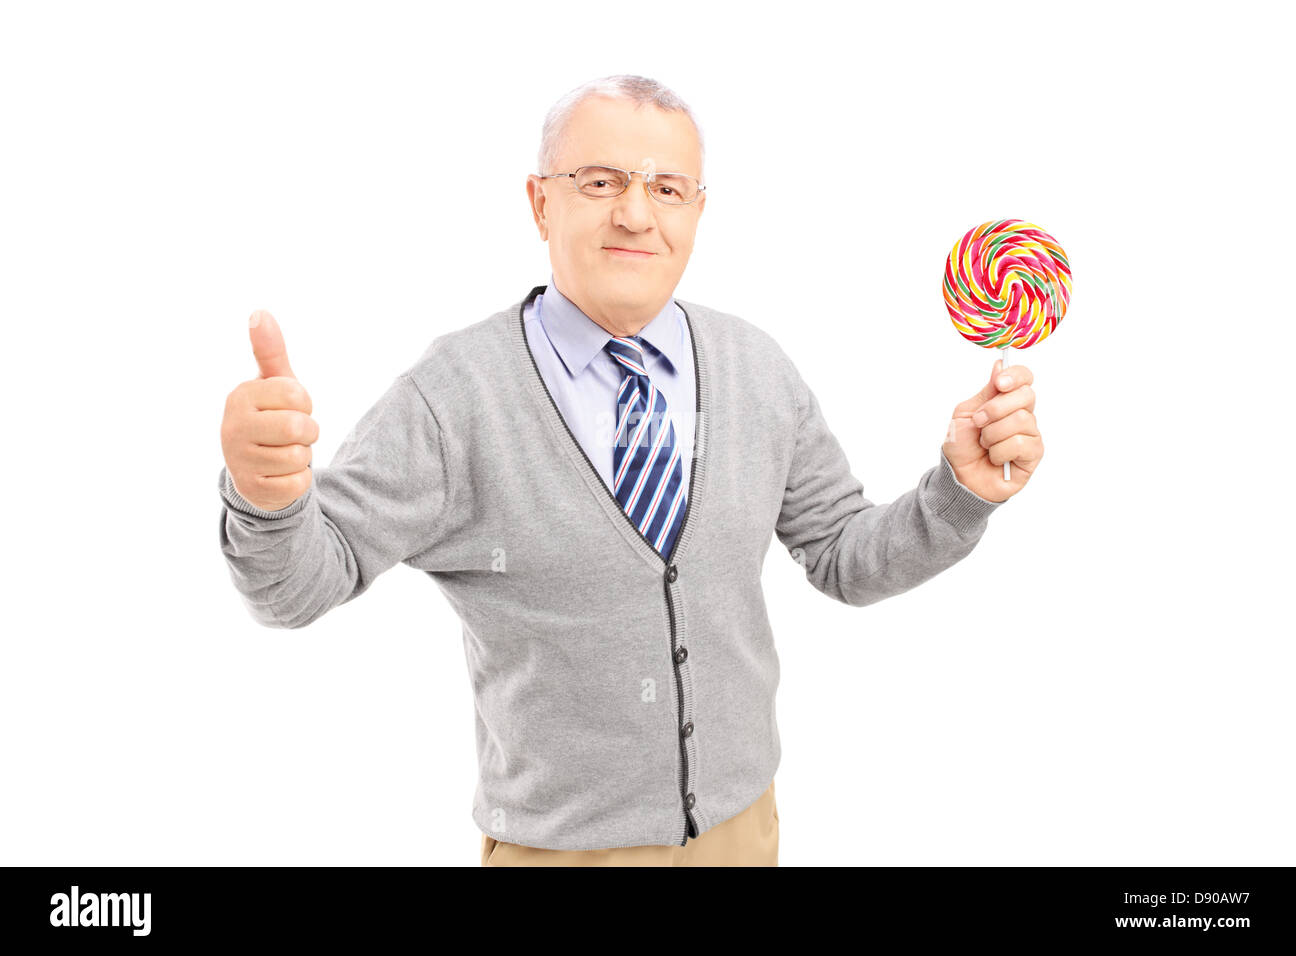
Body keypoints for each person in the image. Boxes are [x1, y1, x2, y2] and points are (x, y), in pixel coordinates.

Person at [217, 74, 1044, 867]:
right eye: (602, 180)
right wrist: (267, 498)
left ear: (699, 212)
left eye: (669, 189)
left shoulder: (757, 369)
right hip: (560, 851)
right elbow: (297, 588)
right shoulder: (455, 398)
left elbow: (843, 557)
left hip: (742, 832)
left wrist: (959, 491)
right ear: (541, 201)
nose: (637, 214)